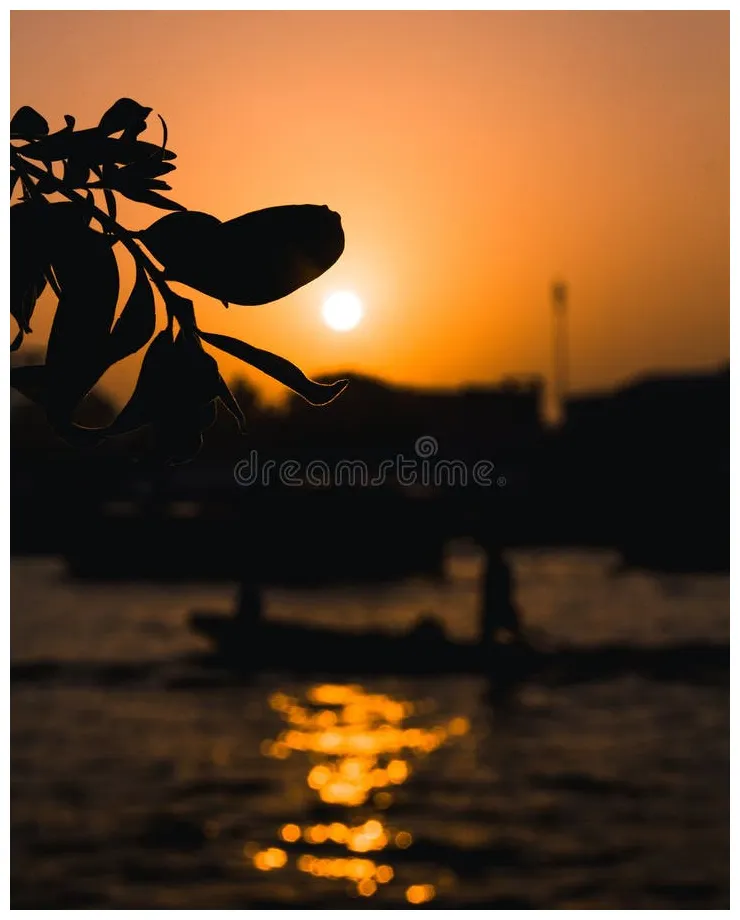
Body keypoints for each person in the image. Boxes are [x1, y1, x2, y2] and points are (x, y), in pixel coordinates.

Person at [478, 536, 522, 646]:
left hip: (498, 604)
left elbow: (503, 589)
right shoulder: (496, 566)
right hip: (495, 605)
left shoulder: (498, 566)